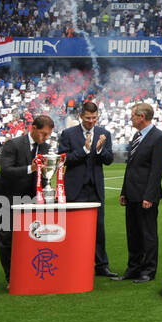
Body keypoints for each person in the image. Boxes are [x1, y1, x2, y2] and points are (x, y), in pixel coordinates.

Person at [0, 115, 55, 283]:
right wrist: (30, 168)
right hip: (6, 196)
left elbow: (44, 174)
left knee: (31, 236)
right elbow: (6, 171)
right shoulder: (13, 145)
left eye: (48, 135)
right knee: (7, 237)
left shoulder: (45, 147)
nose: (45, 138)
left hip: (28, 198)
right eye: (42, 133)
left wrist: (48, 188)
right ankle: (11, 278)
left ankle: (28, 272)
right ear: (33, 128)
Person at [57, 100, 116, 278]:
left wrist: (98, 150)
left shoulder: (104, 134)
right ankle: (73, 262)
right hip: (75, 188)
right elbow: (63, 158)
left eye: (94, 118)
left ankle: (101, 265)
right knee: (74, 228)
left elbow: (109, 159)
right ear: (80, 116)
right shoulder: (68, 134)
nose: (91, 121)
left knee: (99, 228)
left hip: (95, 189)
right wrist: (84, 149)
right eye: (88, 118)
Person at [114, 101, 162, 284]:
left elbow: (157, 170)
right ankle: (134, 268)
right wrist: (124, 191)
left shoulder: (158, 137)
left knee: (148, 233)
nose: (131, 118)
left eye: (133, 115)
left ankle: (149, 270)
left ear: (142, 117)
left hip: (145, 195)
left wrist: (149, 196)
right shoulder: (137, 137)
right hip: (131, 193)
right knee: (133, 233)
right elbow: (131, 168)